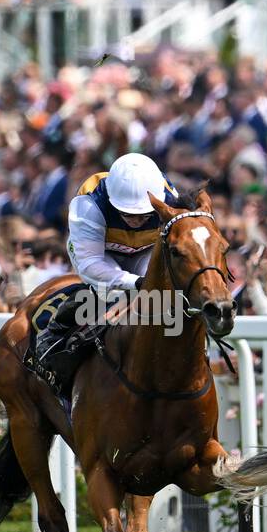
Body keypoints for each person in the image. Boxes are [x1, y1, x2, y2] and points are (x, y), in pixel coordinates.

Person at [32, 153, 178, 390]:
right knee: (110, 295)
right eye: (127, 213)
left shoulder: (172, 200)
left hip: (147, 251)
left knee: (166, 300)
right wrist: (135, 283)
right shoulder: (89, 202)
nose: (135, 220)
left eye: (142, 214)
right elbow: (91, 264)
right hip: (101, 254)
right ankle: (56, 337)